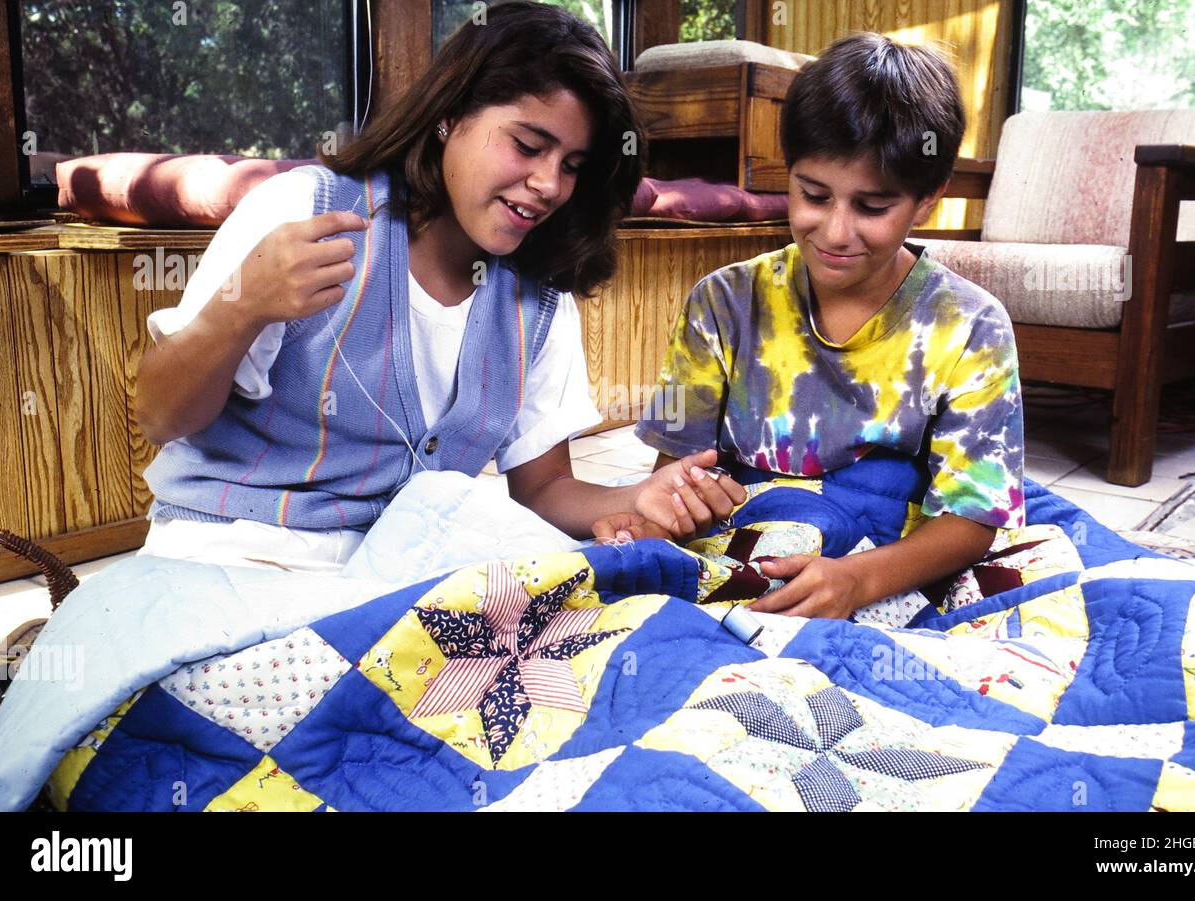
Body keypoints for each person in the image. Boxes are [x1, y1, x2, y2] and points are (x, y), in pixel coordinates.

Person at [134, 0, 745, 572]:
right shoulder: (303, 212)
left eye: (572, 167)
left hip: (396, 569)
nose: (548, 185)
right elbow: (160, 417)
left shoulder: (539, 293)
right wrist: (236, 313)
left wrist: (640, 495)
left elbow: (544, 487)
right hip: (231, 552)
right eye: (528, 146)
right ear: (449, 117)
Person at [635, 32, 1026, 619]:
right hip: (752, 538)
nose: (836, 233)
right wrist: (672, 512)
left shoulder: (970, 326)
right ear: (788, 174)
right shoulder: (722, 302)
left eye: (872, 208)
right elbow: (675, 478)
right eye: (814, 195)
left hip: (883, 549)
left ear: (927, 200)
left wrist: (856, 582)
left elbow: (971, 521)